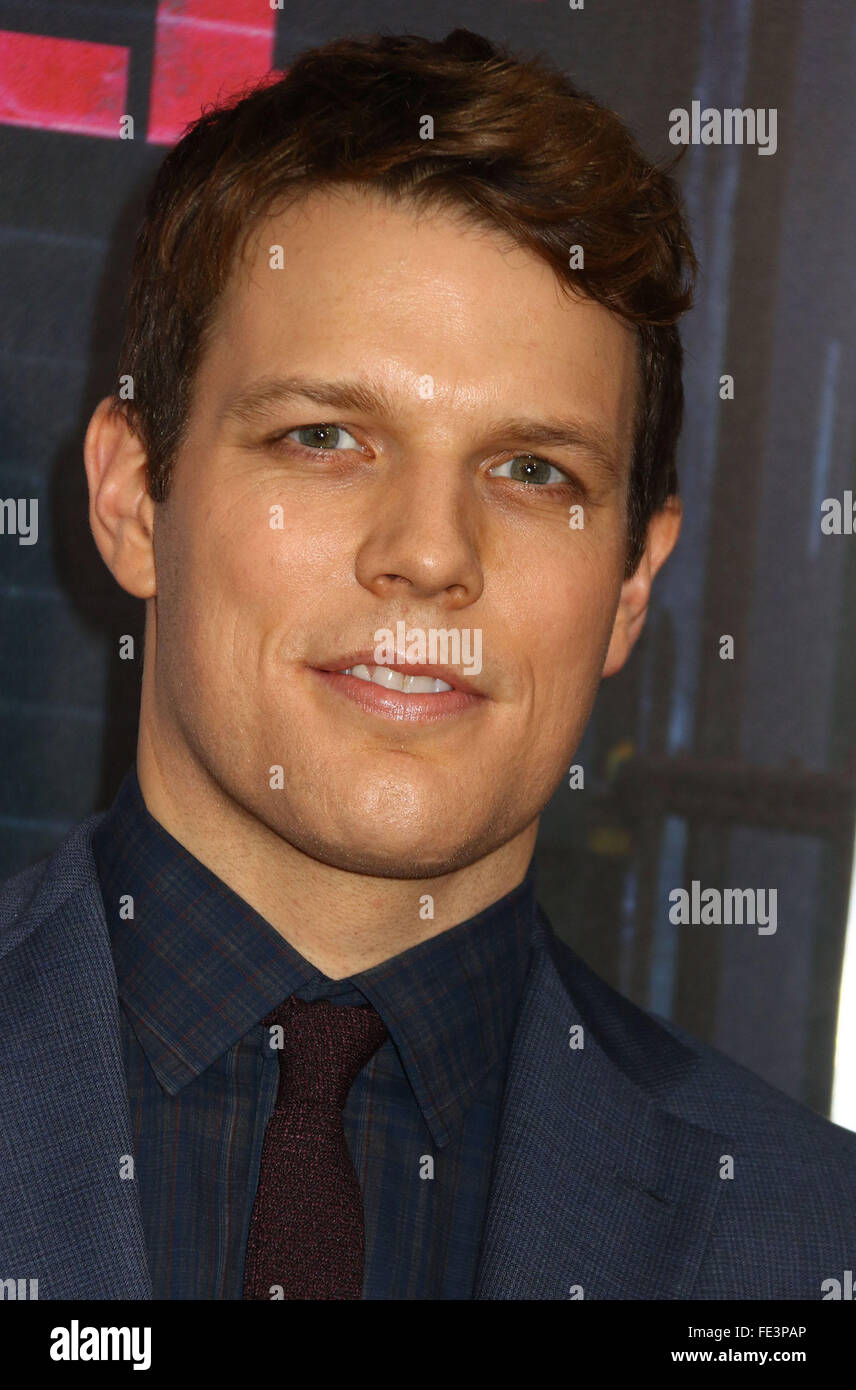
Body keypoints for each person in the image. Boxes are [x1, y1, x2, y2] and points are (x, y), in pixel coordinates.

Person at [1, 27, 854, 1302]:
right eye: (325, 435)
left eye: (531, 470)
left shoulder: (809, 1243)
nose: (427, 553)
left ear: (630, 584)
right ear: (132, 498)